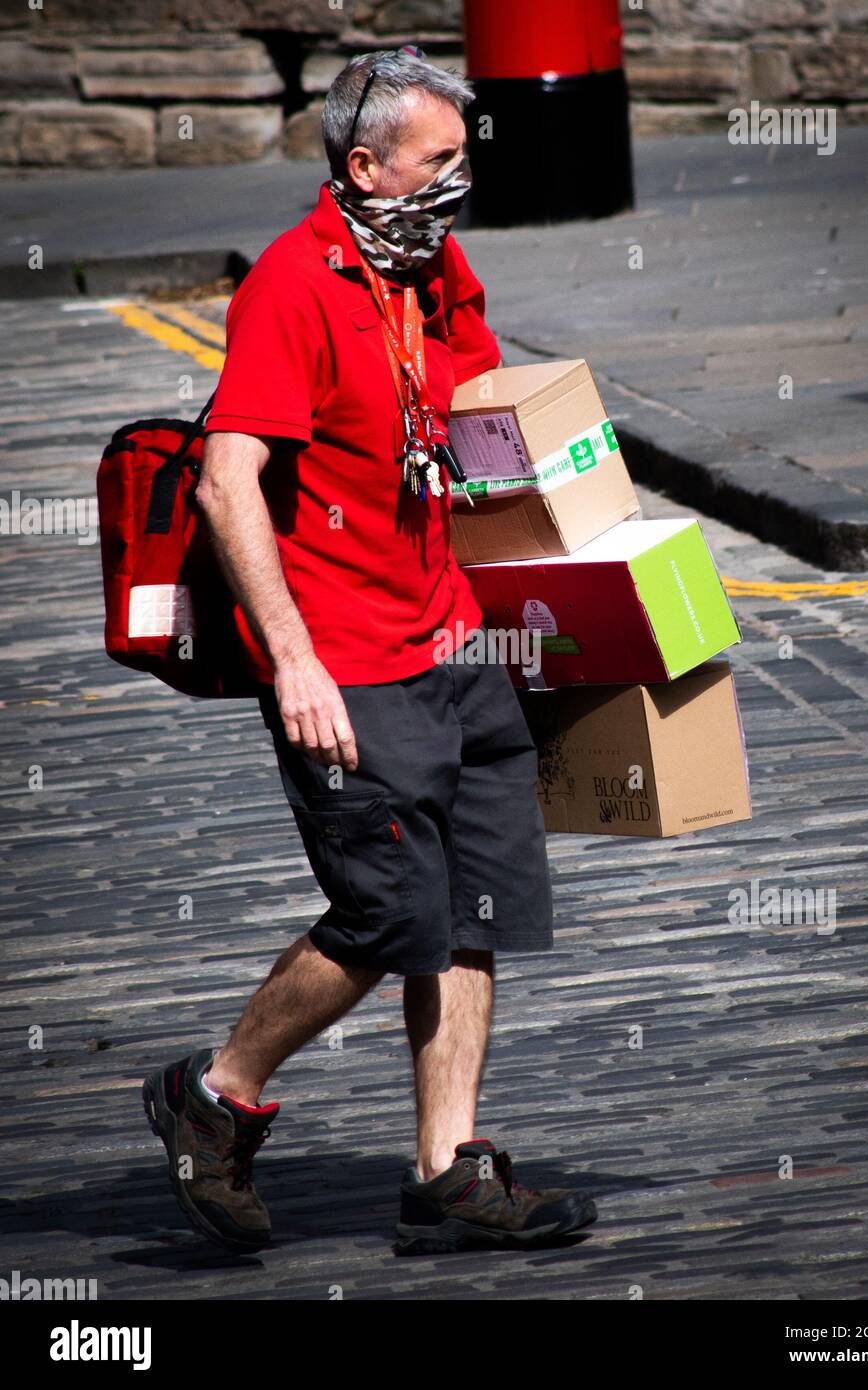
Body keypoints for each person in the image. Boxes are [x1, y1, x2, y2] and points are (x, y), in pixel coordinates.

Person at [142, 48, 598, 1256]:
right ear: (365, 164)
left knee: (471, 911)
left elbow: (478, 415)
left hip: (456, 635)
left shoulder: (437, 263)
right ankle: (217, 1090)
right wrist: (292, 662)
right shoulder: (292, 287)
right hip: (346, 658)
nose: (458, 181)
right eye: (439, 160)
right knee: (390, 906)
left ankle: (447, 1166)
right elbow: (227, 486)